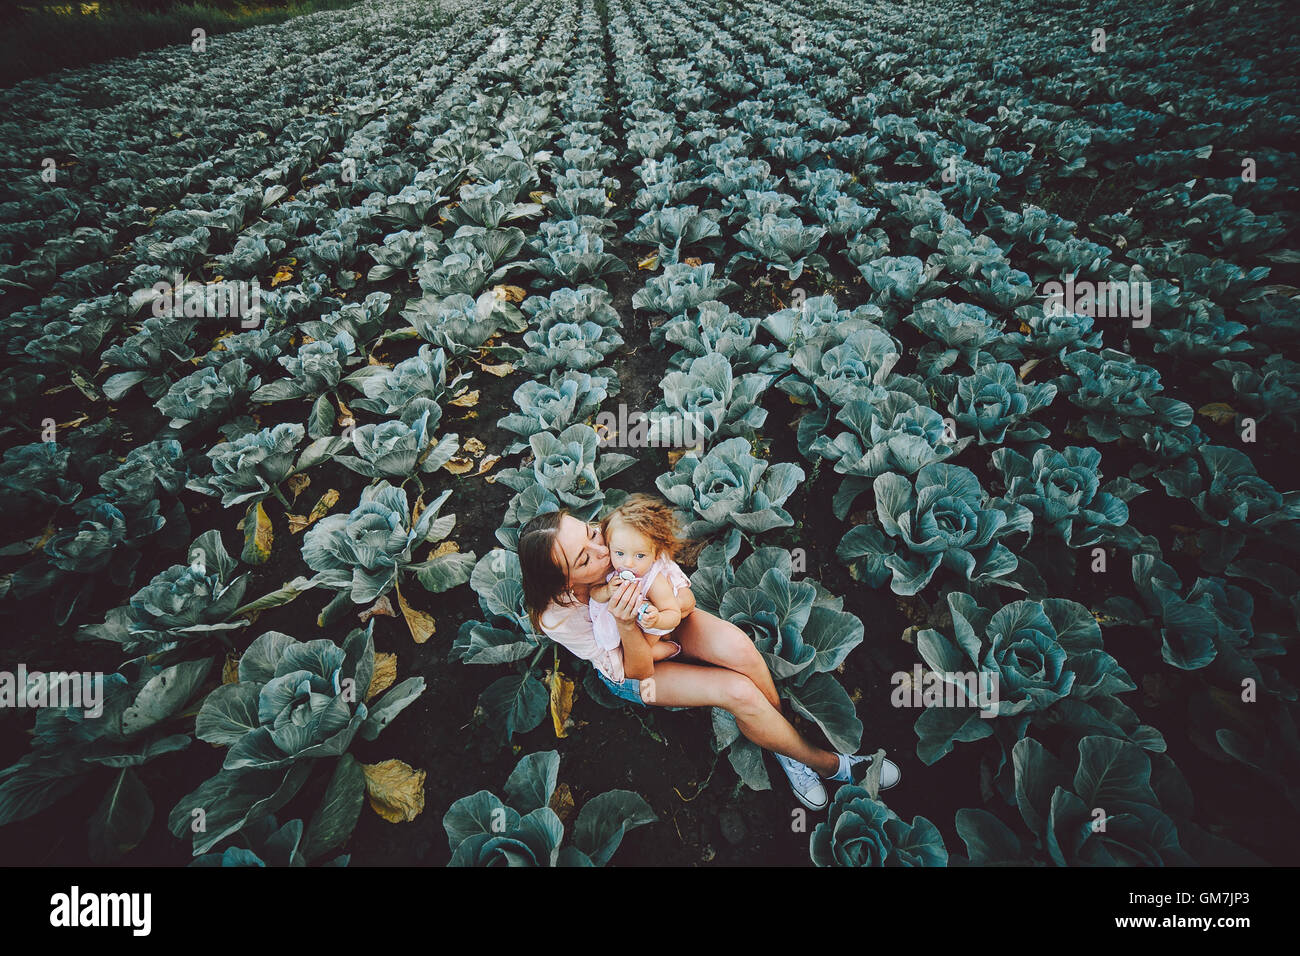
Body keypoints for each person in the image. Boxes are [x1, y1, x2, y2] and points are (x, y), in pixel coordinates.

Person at [518, 507, 901, 811]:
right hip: (635, 667)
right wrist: (627, 624)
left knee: (741, 650)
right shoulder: (558, 616)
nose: (603, 552)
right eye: (585, 560)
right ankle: (830, 765)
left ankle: (784, 744)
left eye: (590, 532)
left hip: (668, 622)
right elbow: (637, 670)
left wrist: (663, 616)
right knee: (738, 693)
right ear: (567, 583)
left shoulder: (618, 538)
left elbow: (685, 601)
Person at [587, 493, 696, 664]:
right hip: (622, 624)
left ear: (656, 555)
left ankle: (671, 648)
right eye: (620, 553)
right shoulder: (611, 570)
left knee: (646, 652)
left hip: (648, 629)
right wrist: (607, 590)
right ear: (609, 546)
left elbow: (673, 613)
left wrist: (657, 619)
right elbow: (594, 593)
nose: (628, 563)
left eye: (640, 555)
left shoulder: (653, 581)